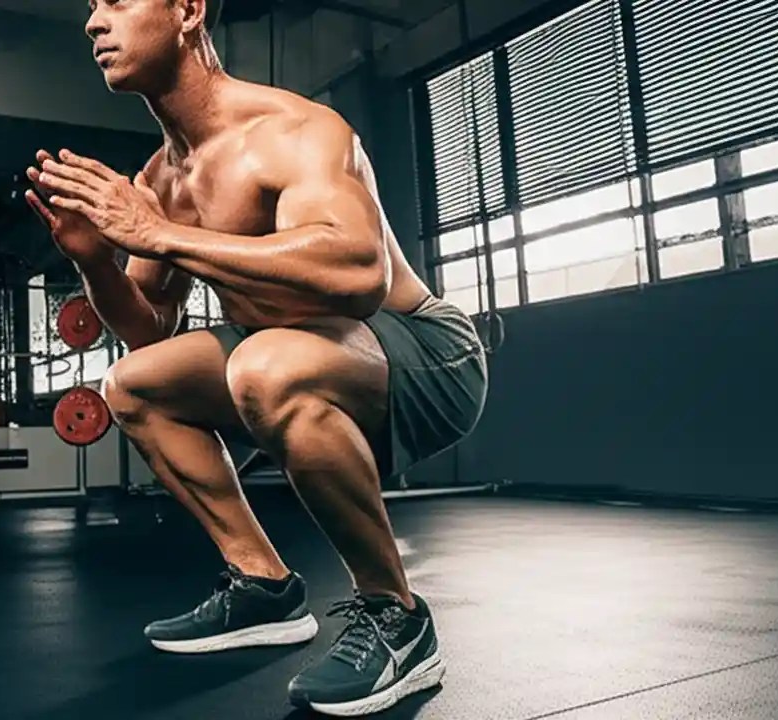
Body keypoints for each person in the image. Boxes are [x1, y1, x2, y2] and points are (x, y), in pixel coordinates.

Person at [24, 0, 487, 715]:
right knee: (131, 385)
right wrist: (96, 263)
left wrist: (162, 236)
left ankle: (398, 618)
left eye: (117, 0)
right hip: (300, 356)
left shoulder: (293, 130)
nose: (94, 22)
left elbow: (359, 275)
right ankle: (263, 586)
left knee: (263, 365)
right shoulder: (161, 181)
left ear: (186, 9)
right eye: (90, 7)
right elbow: (151, 337)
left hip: (426, 354)